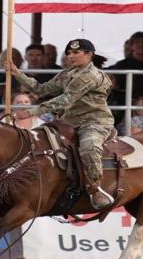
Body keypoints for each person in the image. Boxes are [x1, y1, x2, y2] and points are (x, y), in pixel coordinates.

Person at [13, 38, 116, 209]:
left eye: (76, 52)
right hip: (68, 122)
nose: (71, 56)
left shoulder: (92, 75)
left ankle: (96, 188)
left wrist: (31, 112)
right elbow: (41, 89)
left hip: (94, 122)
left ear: (89, 55)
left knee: (89, 146)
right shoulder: (67, 74)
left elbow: (66, 99)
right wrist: (17, 74)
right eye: (69, 52)